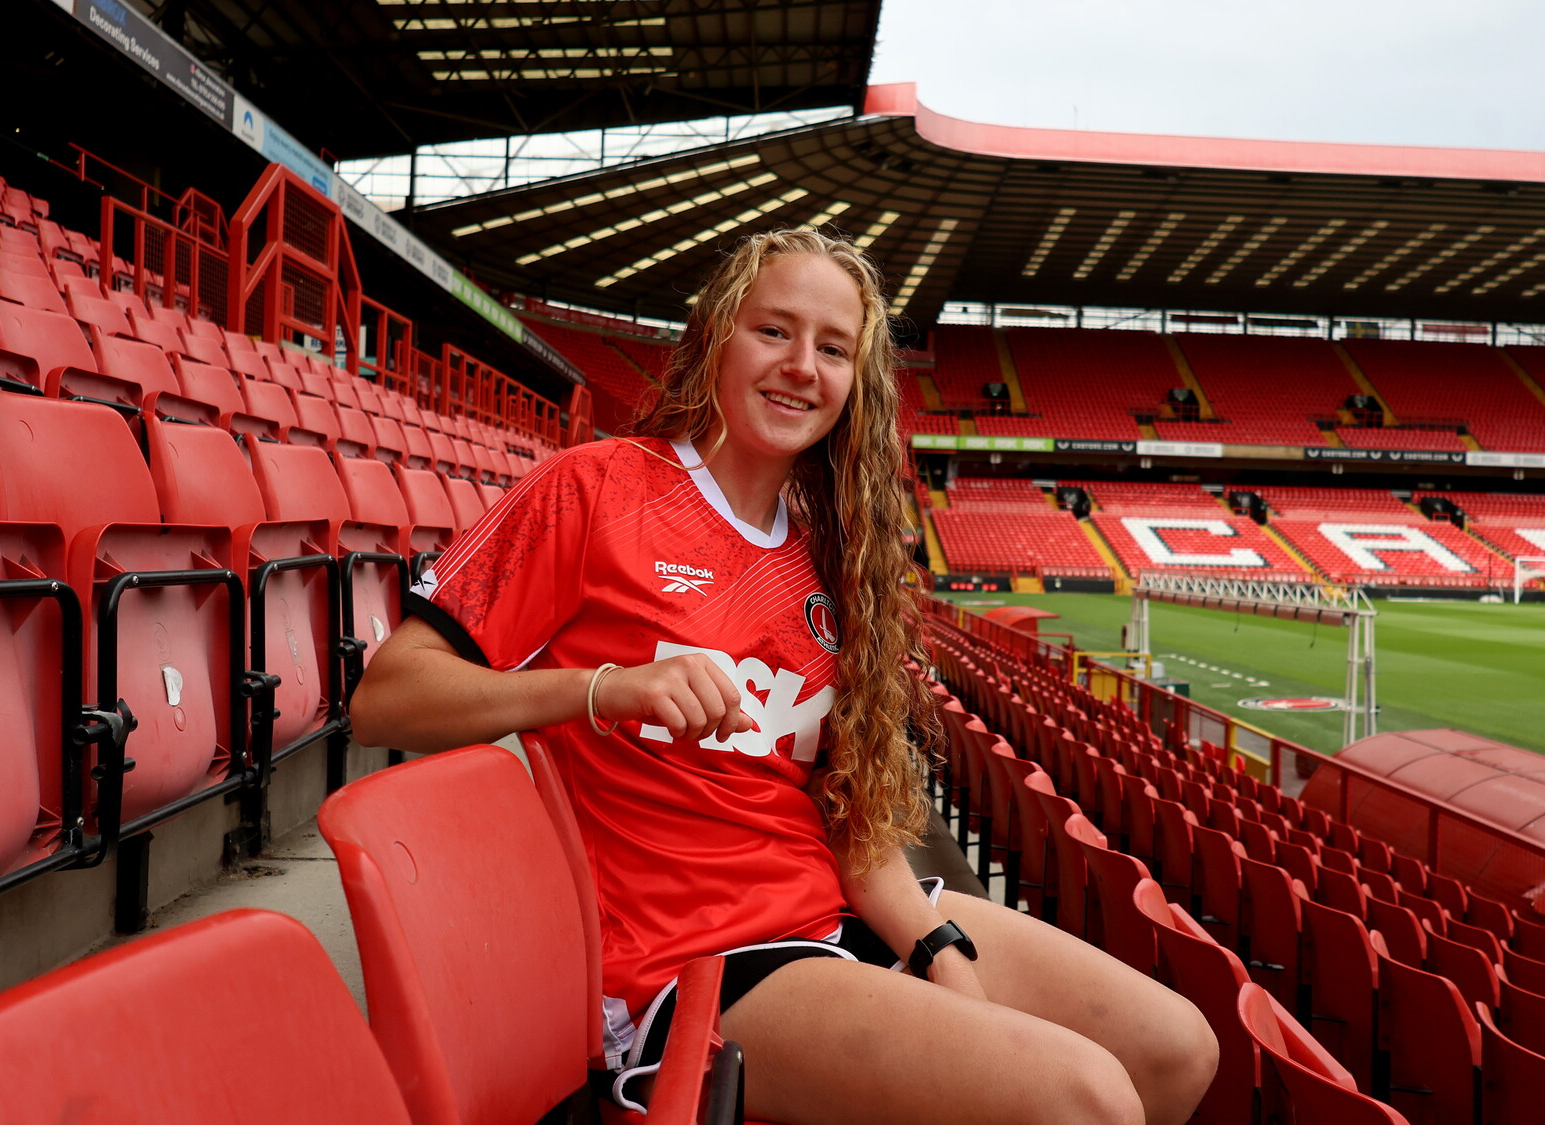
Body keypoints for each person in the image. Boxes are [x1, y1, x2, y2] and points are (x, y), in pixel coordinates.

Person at [349, 229, 1215, 1125]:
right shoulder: (596, 489)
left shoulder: (833, 555)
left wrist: (940, 950)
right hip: (687, 963)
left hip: (832, 915)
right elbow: (386, 699)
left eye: (833, 348)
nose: (802, 366)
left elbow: (845, 818)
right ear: (716, 337)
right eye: (774, 332)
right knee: (1088, 1101)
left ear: (856, 385)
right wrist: (601, 687)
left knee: (1177, 1047)